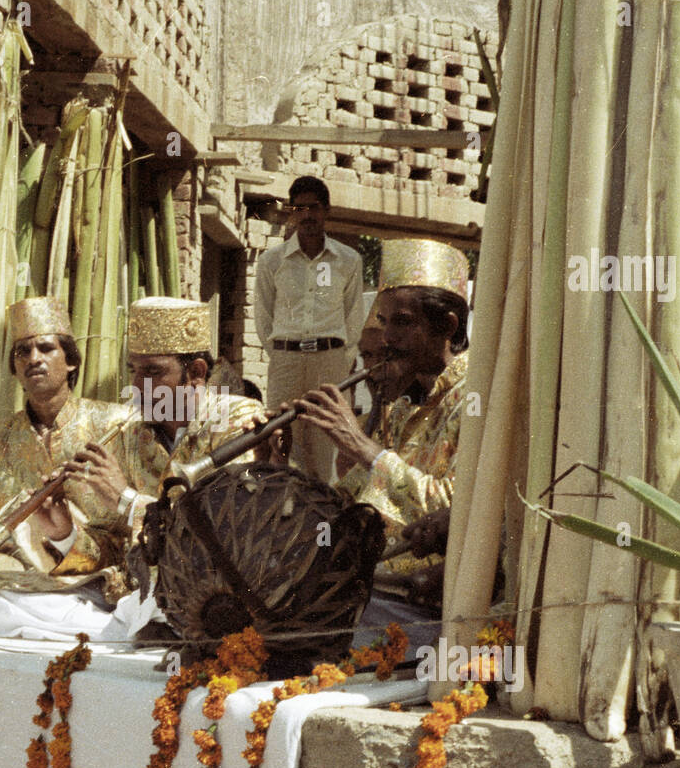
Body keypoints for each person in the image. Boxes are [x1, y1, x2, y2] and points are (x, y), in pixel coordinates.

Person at [288, 238, 471, 619]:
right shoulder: (405, 407)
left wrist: (362, 446)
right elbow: (346, 504)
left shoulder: (476, 397)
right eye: (385, 323)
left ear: (448, 327)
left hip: (426, 604)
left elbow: (459, 514)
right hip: (374, 590)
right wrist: (276, 467)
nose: (387, 339)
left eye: (403, 323)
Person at [0, 297, 132, 590]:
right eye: (22, 352)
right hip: (9, 572)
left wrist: (68, 537)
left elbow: (138, 522)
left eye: (47, 348)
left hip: (87, 576)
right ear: (14, 368)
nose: (34, 358)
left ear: (72, 361)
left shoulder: (116, 424)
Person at [63, 297, 267, 535]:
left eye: (152, 371)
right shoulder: (131, 433)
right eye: (134, 371)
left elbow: (226, 523)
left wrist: (126, 501)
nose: (137, 386)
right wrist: (63, 533)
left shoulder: (237, 417)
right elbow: (118, 545)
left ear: (195, 372)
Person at [254, 176, 365, 483]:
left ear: (326, 210)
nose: (307, 215)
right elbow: (263, 317)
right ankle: (280, 514)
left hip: (329, 360)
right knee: (281, 437)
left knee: (325, 441)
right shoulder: (272, 261)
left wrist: (339, 361)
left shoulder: (347, 259)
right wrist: (280, 353)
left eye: (313, 207)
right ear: (292, 212)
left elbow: (353, 316)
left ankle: (323, 522)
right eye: (299, 208)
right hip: (285, 360)